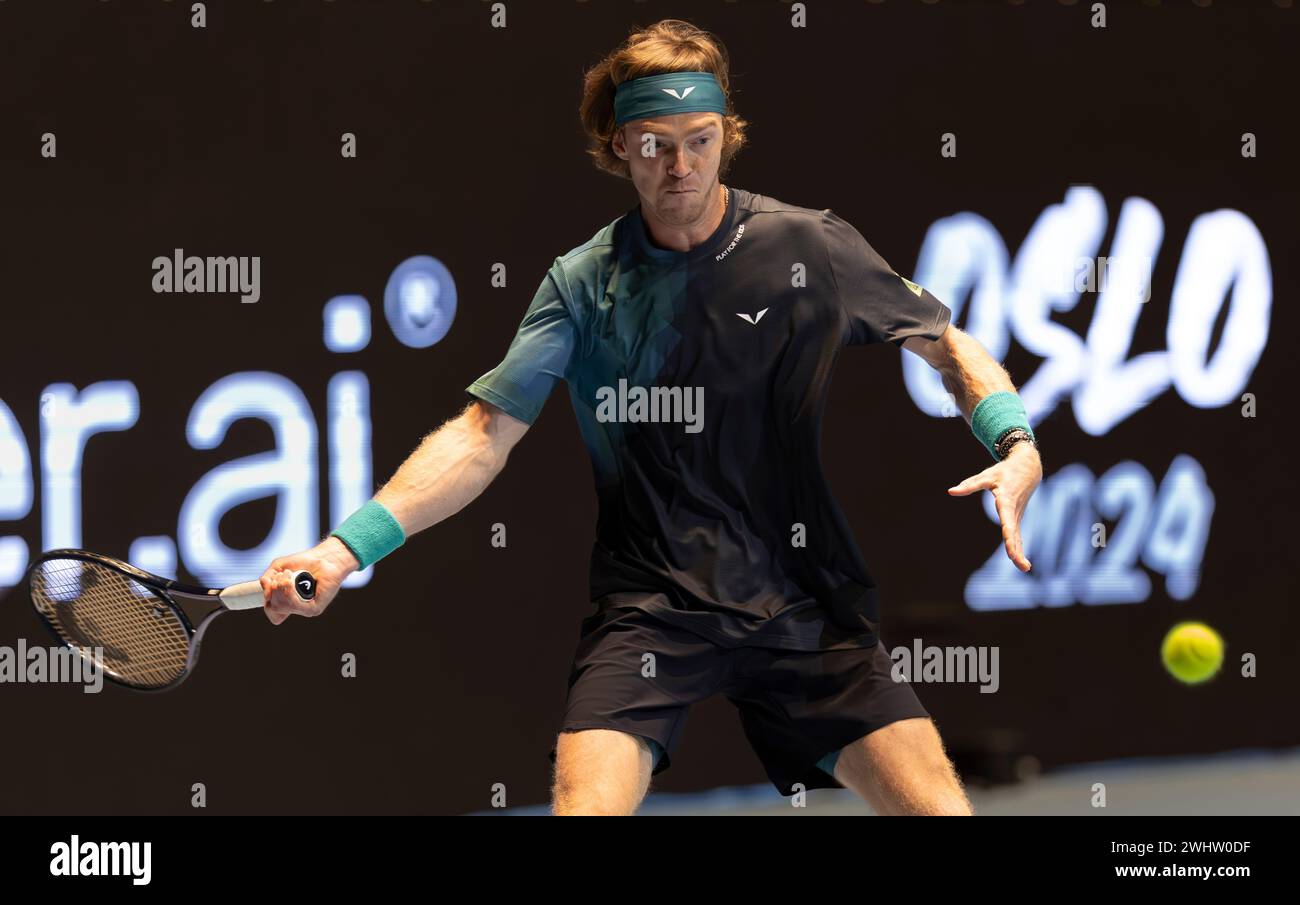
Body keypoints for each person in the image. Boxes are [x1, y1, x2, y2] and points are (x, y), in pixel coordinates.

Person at [259, 19, 1042, 816]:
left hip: (805, 603)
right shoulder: (582, 284)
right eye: (653, 144)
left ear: (725, 135)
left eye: (699, 139)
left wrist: (1015, 439)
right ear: (617, 145)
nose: (680, 166)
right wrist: (345, 547)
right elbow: (480, 436)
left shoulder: (810, 245)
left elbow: (947, 346)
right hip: (651, 609)